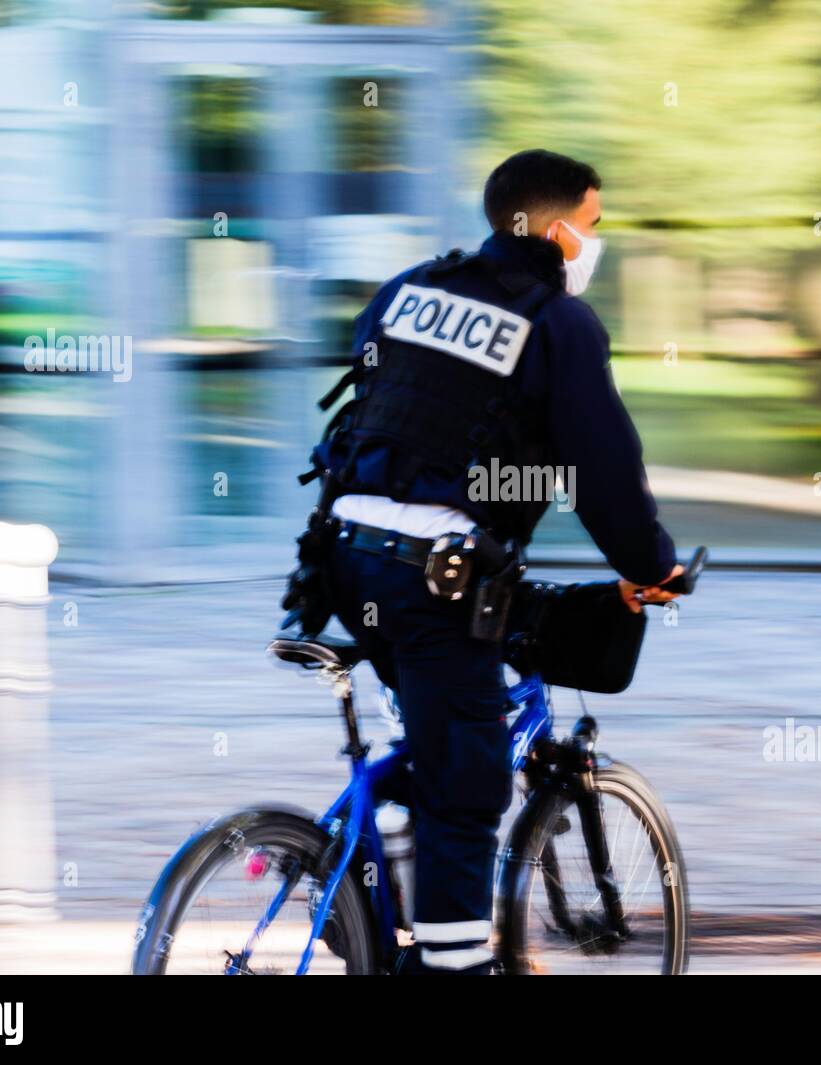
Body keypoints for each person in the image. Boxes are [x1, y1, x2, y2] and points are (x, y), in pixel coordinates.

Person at [308, 148, 682, 973]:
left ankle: (367, 871)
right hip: (430, 572)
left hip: (339, 556)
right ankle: (453, 961)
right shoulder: (559, 321)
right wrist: (650, 562)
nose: (596, 240)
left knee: (435, 731)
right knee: (470, 782)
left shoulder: (411, 288)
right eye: (593, 225)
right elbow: (601, 468)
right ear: (556, 230)